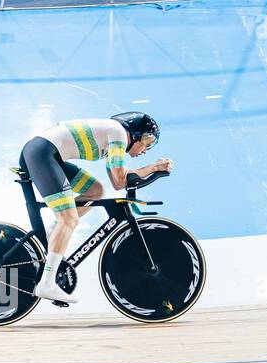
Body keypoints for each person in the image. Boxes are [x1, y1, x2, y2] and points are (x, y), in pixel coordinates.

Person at [17, 113, 171, 303]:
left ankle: (53, 232)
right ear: (136, 133)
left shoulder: (115, 134)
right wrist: (153, 168)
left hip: (46, 153)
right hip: (42, 154)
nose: (146, 149)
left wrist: (152, 169)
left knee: (96, 191)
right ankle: (46, 283)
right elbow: (121, 180)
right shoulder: (119, 134)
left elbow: (116, 184)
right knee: (69, 219)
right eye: (147, 141)